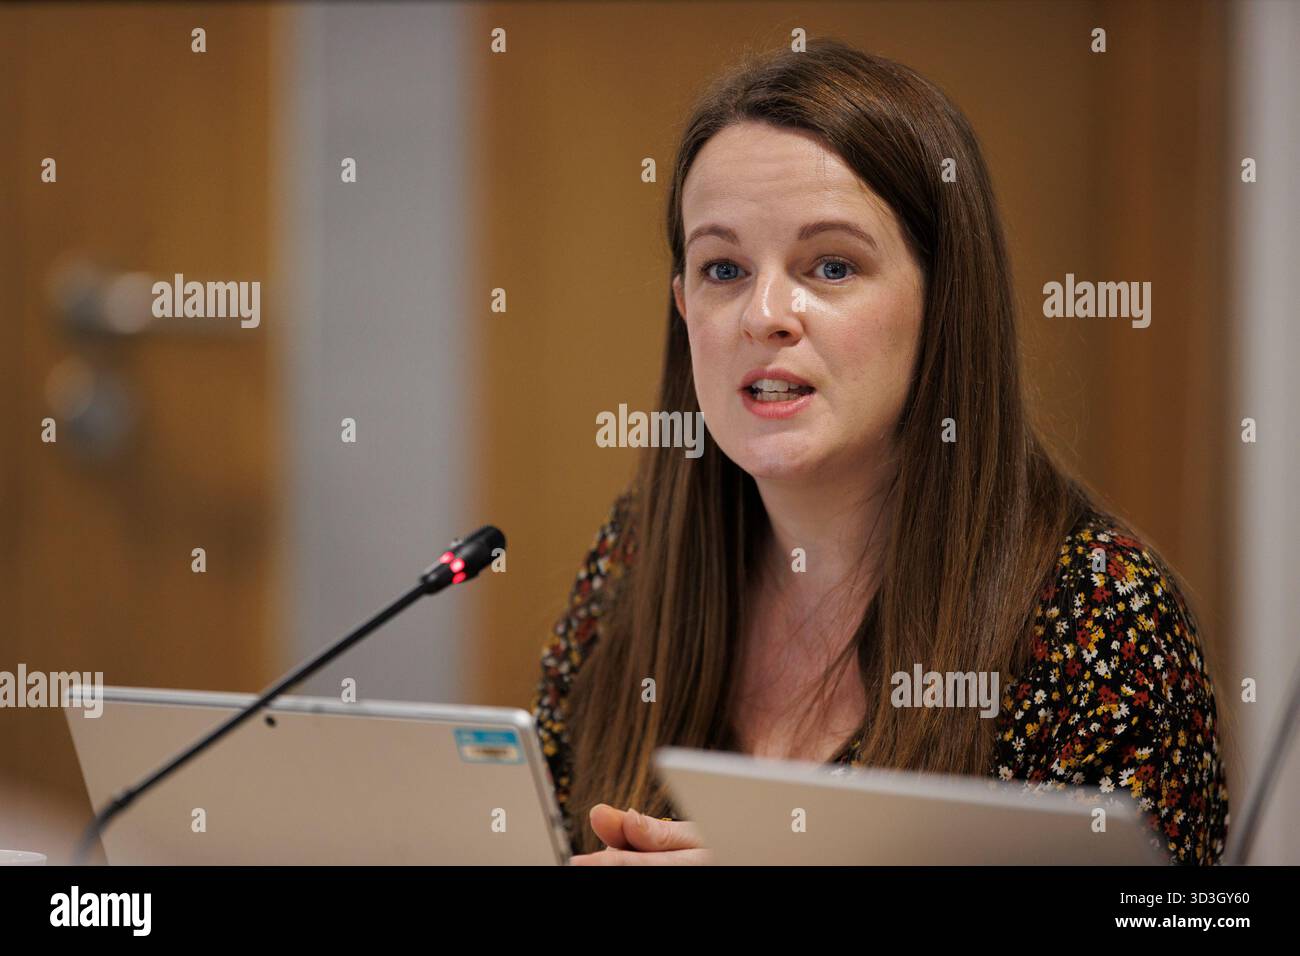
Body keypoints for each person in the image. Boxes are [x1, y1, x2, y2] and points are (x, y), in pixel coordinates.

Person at [530, 39, 1228, 865]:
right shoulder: (636, 555)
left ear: (944, 298)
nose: (766, 315)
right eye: (723, 268)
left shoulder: (1099, 608)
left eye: (830, 265)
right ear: (683, 309)